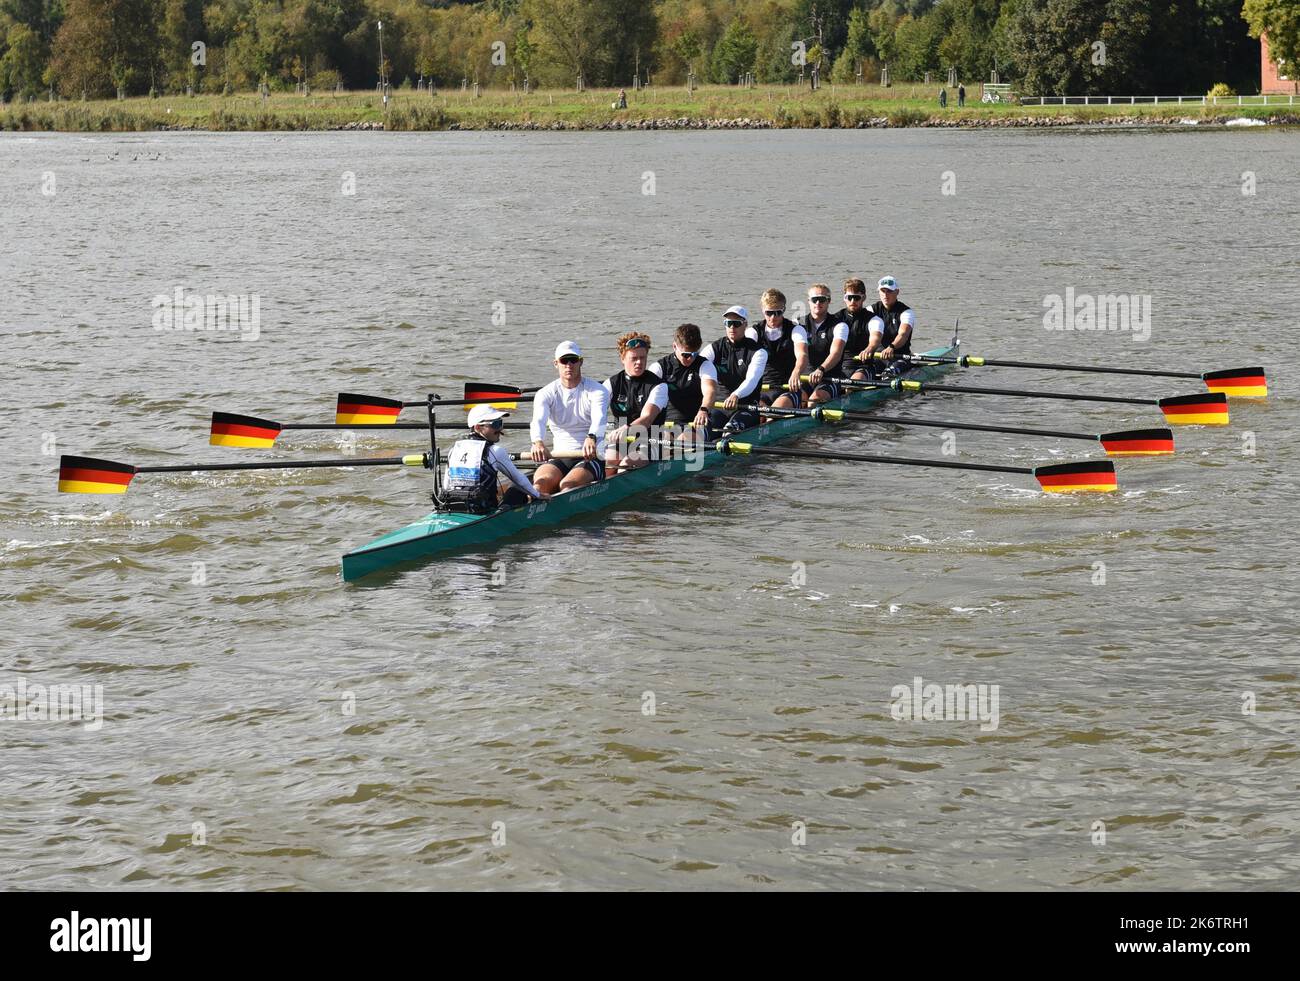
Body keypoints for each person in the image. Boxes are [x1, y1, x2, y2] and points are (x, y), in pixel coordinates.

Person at [529, 341, 610, 494]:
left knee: (567, 486)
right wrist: (537, 442)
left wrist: (592, 437)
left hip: (591, 456)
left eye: (573, 360)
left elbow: (599, 418)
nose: (569, 365)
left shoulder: (597, 391)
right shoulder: (545, 394)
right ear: (556, 364)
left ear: (581, 362)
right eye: (564, 361)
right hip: (559, 455)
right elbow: (538, 421)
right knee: (539, 486)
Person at [441, 403, 548, 513]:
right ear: (478, 427)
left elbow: (446, 485)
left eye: (500, 423)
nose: (500, 429)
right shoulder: (495, 451)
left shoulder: (454, 449)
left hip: (454, 506)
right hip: (483, 510)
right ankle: (501, 513)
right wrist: (537, 495)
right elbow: (518, 479)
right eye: (495, 424)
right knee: (516, 489)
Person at [603, 331, 668, 472]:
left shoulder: (658, 386)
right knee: (608, 462)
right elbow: (596, 412)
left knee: (626, 464)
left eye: (642, 358)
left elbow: (647, 418)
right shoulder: (611, 383)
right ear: (623, 358)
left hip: (652, 440)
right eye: (634, 358)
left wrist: (626, 428)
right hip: (622, 440)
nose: (639, 362)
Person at [700, 305, 767, 435]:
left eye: (736, 323)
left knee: (728, 433)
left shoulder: (758, 352)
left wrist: (736, 395)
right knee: (702, 432)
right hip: (719, 406)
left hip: (746, 407)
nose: (732, 327)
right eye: (728, 323)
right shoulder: (715, 348)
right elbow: (698, 367)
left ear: (745, 324)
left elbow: (751, 380)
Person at [648, 323, 717, 438]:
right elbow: (647, 396)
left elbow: (710, 391)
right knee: (663, 441)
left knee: (683, 441)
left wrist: (704, 409)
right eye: (686, 355)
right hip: (669, 423)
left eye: (695, 354)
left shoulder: (705, 365)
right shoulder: (659, 367)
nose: (690, 358)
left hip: (698, 421)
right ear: (674, 346)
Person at [754, 288, 809, 411]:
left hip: (788, 388)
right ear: (763, 311)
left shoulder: (796, 330)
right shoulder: (754, 332)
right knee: (760, 416)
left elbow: (802, 355)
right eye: (769, 313)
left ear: (783, 310)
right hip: (763, 389)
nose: (773, 317)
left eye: (778, 312)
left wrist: (796, 373)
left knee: (770, 416)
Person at [800, 282, 849, 406]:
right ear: (809, 301)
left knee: (812, 403)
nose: (818, 303)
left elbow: (836, 353)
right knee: (799, 401)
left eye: (822, 299)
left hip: (830, 376)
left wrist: (821, 369)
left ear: (829, 301)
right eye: (814, 299)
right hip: (806, 376)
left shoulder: (839, 325)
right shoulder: (798, 324)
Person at [865, 276, 916, 377]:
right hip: (877, 356)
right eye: (882, 291)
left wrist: (891, 347)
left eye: (889, 291)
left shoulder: (906, 312)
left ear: (897, 292)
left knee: (887, 375)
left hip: (899, 356)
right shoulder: (871, 310)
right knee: (866, 372)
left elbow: (903, 334)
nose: (885, 294)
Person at [834, 278, 877, 381]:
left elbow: (875, 339)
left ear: (864, 298)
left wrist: (869, 349)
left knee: (852, 385)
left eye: (856, 298)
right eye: (849, 297)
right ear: (844, 298)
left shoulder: (873, 320)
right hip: (839, 366)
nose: (852, 301)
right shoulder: (835, 319)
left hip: (863, 366)